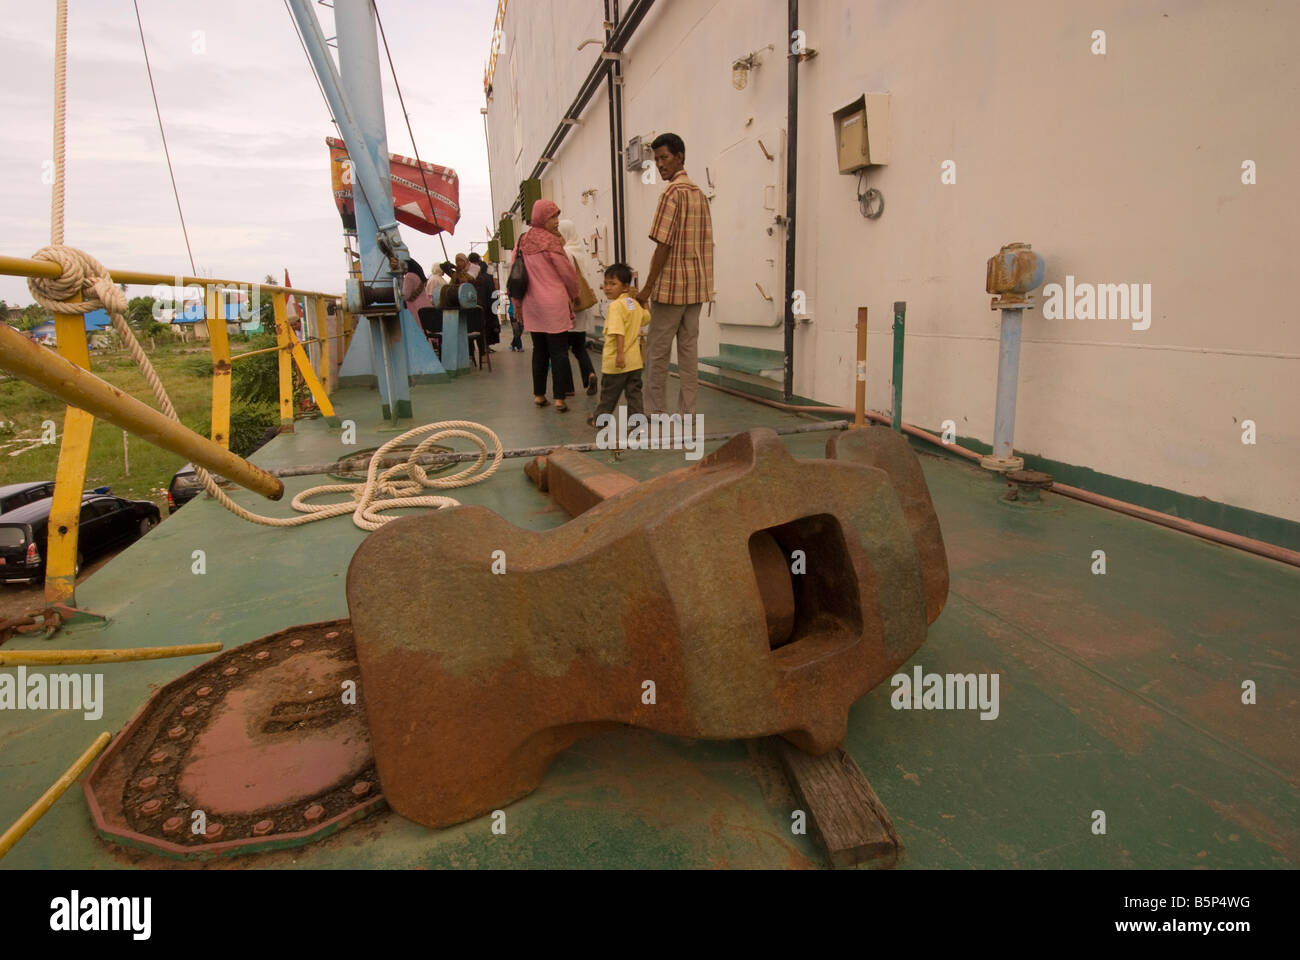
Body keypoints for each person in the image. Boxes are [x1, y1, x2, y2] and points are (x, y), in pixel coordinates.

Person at [635, 132, 714, 417]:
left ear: (680, 156)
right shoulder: (700, 195)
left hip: (670, 290)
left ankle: (654, 412)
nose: (659, 164)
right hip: (696, 289)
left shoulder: (672, 194)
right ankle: (688, 413)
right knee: (689, 353)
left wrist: (646, 288)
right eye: (656, 159)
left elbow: (663, 246)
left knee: (657, 352)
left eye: (664, 157)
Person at [514, 199, 578, 411]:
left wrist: (518, 304)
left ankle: (539, 395)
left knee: (539, 351)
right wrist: (574, 293)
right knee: (559, 352)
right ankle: (559, 398)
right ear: (542, 218)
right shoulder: (552, 242)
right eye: (552, 217)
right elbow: (567, 274)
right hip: (554, 305)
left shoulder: (522, 241)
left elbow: (516, 274)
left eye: (557, 216)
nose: (556, 221)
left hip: (532, 305)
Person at [587, 263, 647, 428]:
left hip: (617, 363)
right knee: (634, 394)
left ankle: (600, 420)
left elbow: (618, 331)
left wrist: (620, 355)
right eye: (606, 284)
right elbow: (646, 318)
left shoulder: (615, 306)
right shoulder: (633, 304)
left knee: (609, 394)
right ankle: (637, 422)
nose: (607, 288)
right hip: (635, 362)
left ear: (625, 286)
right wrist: (644, 301)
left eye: (613, 284)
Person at [558, 219, 599, 396]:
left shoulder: (565, 252)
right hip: (583, 305)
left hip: (569, 305)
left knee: (562, 349)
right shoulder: (580, 251)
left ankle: (568, 388)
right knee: (579, 347)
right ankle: (590, 373)